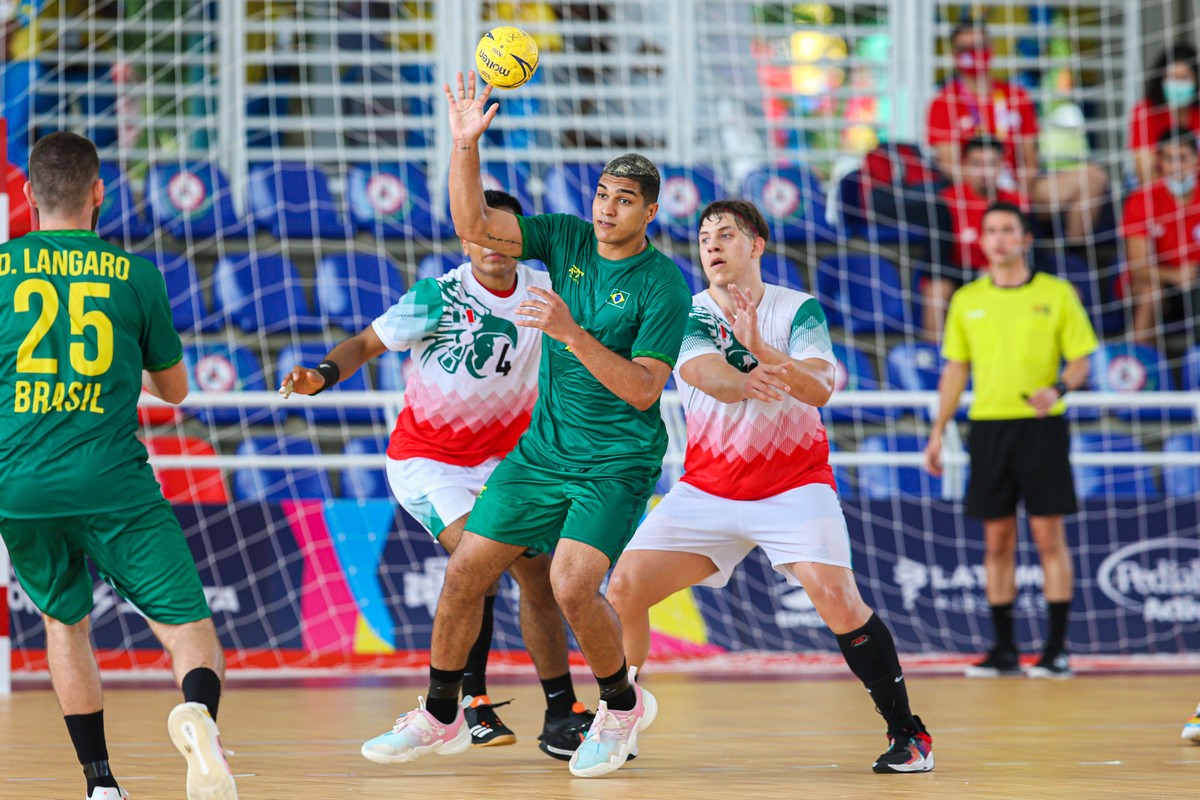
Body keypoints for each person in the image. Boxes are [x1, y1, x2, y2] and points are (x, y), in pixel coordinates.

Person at [358, 72, 692, 778]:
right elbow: (475, 227)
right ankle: (443, 714)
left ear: (650, 212)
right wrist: (463, 146)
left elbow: (642, 390)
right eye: (602, 194)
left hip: (617, 461)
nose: (607, 209)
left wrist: (571, 333)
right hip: (541, 453)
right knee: (466, 573)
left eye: (624, 201)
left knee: (571, 583)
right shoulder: (566, 240)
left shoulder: (663, 285)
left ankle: (619, 705)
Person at [606, 199, 934, 775]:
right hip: (708, 489)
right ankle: (621, 715)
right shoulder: (690, 311)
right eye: (705, 236)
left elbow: (820, 390)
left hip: (793, 485)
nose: (712, 245)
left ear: (755, 245)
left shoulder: (797, 308)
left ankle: (908, 734)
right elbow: (699, 372)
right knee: (625, 589)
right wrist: (742, 378)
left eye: (726, 234)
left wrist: (762, 349)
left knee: (839, 603)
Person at [282, 189, 591, 759]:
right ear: (465, 236)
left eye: (503, 232)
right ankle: (463, 704)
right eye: (480, 232)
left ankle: (561, 712)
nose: (491, 244)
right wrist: (322, 375)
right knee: (483, 557)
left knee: (538, 574)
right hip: (429, 462)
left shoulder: (547, 297)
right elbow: (365, 344)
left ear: (520, 238)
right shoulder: (438, 297)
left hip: (505, 460)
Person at [0, 132, 236, 800]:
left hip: (18, 483)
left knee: (63, 624)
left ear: (28, 196)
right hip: (112, 481)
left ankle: (101, 785)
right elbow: (176, 389)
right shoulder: (134, 275)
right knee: (187, 629)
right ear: (99, 193)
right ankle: (199, 724)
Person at [925, 201, 1097, 680]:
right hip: (987, 428)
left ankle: (1056, 651)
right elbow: (955, 369)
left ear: (1025, 239)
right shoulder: (966, 300)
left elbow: (1082, 359)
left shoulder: (1056, 293)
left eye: (1008, 230)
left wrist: (1059, 388)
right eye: (991, 231)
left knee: (1048, 538)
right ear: (981, 242)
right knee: (997, 540)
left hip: (1041, 428)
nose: (999, 238)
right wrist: (937, 432)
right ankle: (1003, 649)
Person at [927, 20, 1108, 241]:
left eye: (980, 46)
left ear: (991, 49)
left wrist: (1018, 194)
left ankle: (1072, 255)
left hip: (1021, 186)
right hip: (974, 191)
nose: (974, 53)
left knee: (1093, 177)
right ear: (954, 55)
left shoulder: (1016, 96)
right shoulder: (943, 102)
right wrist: (989, 185)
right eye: (966, 48)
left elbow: (1030, 158)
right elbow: (950, 165)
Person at [923, 135, 1027, 340]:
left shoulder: (1018, 203)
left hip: (1010, 275)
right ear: (964, 166)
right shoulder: (946, 201)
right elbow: (934, 262)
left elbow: (1034, 253)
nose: (984, 172)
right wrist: (977, 273)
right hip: (961, 276)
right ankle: (934, 360)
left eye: (991, 164)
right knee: (936, 289)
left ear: (1001, 167)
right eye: (977, 163)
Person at [1120, 127, 1200, 344]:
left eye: (1182, 158)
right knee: (1150, 291)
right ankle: (1139, 368)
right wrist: (1176, 276)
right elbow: (1138, 268)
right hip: (1160, 283)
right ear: (1160, 163)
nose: (1176, 167)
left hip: (1196, 283)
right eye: (1169, 159)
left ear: (1196, 159)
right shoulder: (1141, 200)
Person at [1128, 42, 1200, 186]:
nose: (1177, 84)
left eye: (1184, 78)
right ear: (1161, 79)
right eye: (1172, 77)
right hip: (1155, 193)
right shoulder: (1146, 112)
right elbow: (1145, 174)